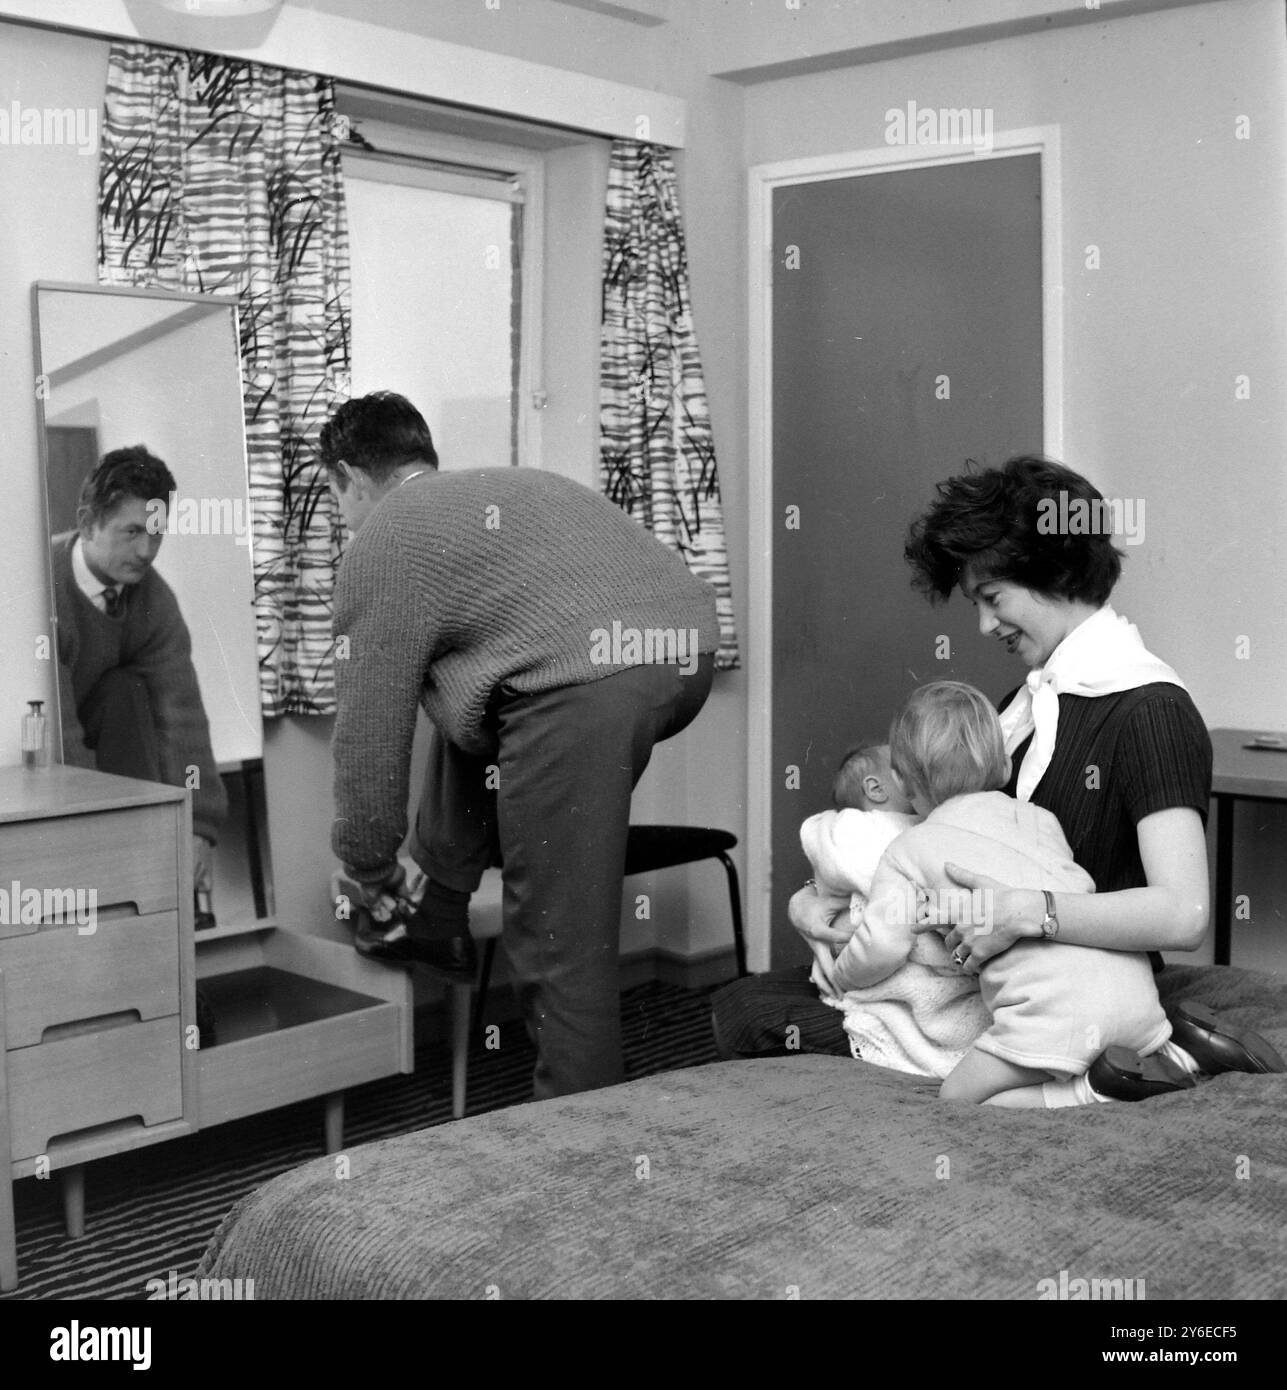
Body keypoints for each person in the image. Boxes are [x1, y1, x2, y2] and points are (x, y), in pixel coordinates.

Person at [712, 455, 1281, 1094]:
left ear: (1052, 572)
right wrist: (816, 905)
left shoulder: (1150, 710)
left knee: (751, 1014)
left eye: (992, 598)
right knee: (753, 999)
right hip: (973, 969)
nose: (984, 625)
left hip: (1050, 986)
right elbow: (932, 835)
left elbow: (1184, 915)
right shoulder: (1025, 704)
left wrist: (1026, 911)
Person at [321, 390, 718, 1100]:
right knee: (478, 695)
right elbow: (478, 689)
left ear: (350, 477)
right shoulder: (498, 492)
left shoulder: (382, 540)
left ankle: (577, 1148)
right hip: (681, 649)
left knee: (557, 938)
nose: (340, 516)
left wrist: (367, 864)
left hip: (589, 684)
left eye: (335, 498)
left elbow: (368, 737)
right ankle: (438, 908)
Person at [828, 681, 1209, 1105]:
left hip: (1052, 1021)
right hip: (1141, 1007)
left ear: (901, 780)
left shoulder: (907, 850)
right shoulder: (1043, 821)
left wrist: (841, 974)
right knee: (1104, 1031)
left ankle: (1091, 1091)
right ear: (1006, 768)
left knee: (957, 1096)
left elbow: (883, 944)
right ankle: (1180, 1054)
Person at [52, 446, 227, 925]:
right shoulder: (42, 586)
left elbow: (181, 714)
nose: (146, 551)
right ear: (88, 523)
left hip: (109, 744)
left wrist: (198, 828)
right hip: (39, 766)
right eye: (132, 532)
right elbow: (61, 732)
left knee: (129, 690)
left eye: (156, 535)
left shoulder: (154, 598)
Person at [798, 742, 917, 994]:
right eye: (905, 768)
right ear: (875, 788)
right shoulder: (856, 829)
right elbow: (875, 876)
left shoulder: (917, 824)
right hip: (861, 942)